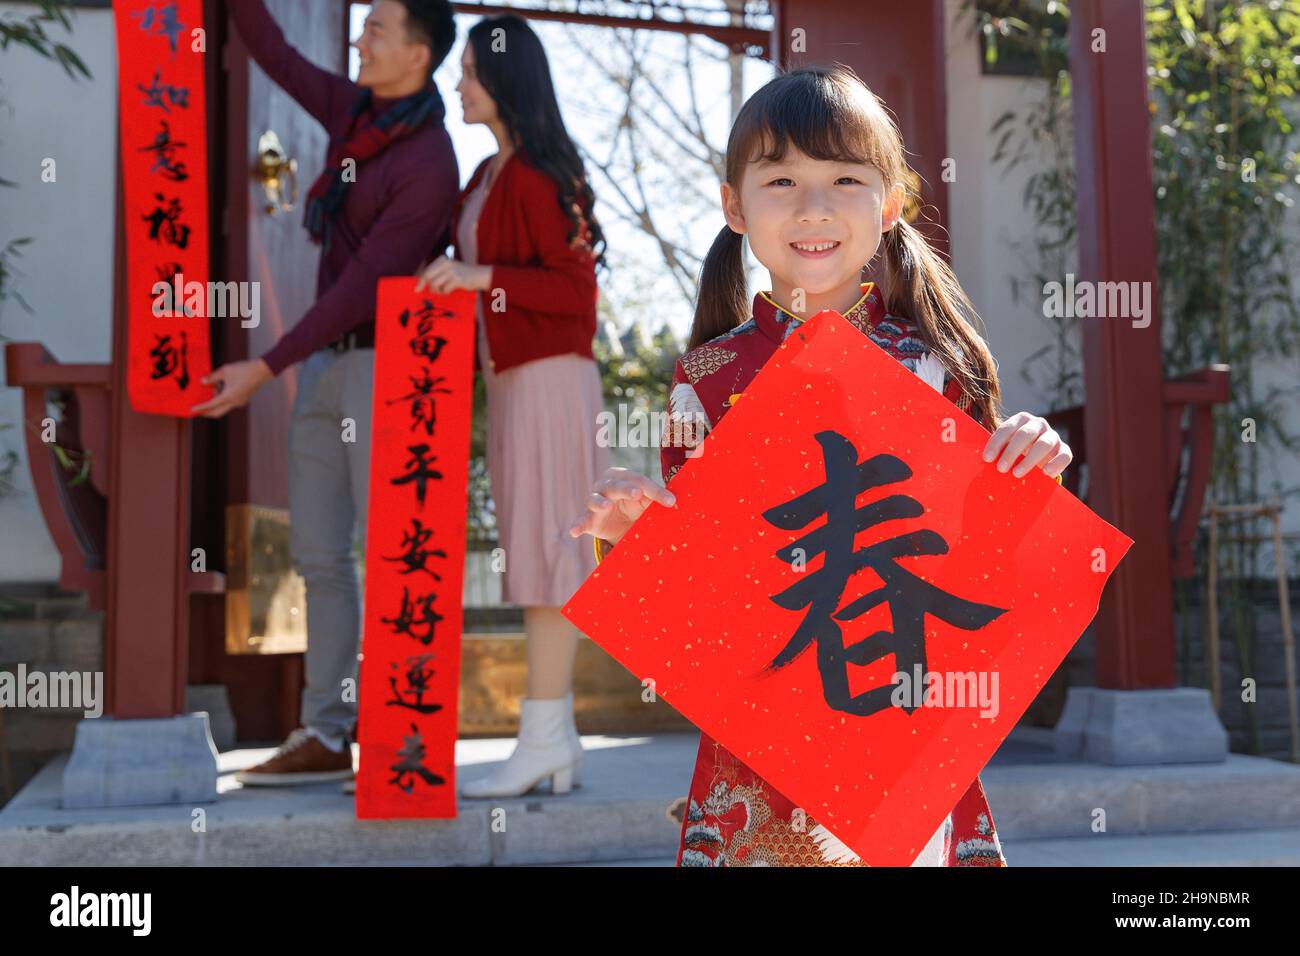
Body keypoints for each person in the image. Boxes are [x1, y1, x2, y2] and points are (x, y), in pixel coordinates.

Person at [568, 64, 1072, 865]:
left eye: (845, 177)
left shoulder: (935, 368)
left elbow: (982, 555)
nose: (814, 206)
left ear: (891, 203)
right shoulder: (708, 379)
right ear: (734, 205)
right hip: (763, 726)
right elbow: (699, 596)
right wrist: (638, 536)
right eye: (780, 179)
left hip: (900, 709)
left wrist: (1031, 464)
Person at [194, 0, 461, 787]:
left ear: (418, 54)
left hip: (386, 365)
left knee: (390, 556)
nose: (361, 37)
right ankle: (325, 729)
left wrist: (265, 365)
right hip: (320, 367)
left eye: (379, 28)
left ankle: (395, 735)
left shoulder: (430, 163)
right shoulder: (352, 108)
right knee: (319, 554)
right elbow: (272, 50)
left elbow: (360, 289)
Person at [416, 14, 609, 798]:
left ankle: (543, 740)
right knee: (539, 551)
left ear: (502, 82)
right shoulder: (489, 175)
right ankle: (553, 743)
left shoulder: (534, 176)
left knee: (551, 556)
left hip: (552, 381)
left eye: (467, 72)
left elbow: (575, 295)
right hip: (514, 382)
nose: (456, 85)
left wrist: (477, 275)